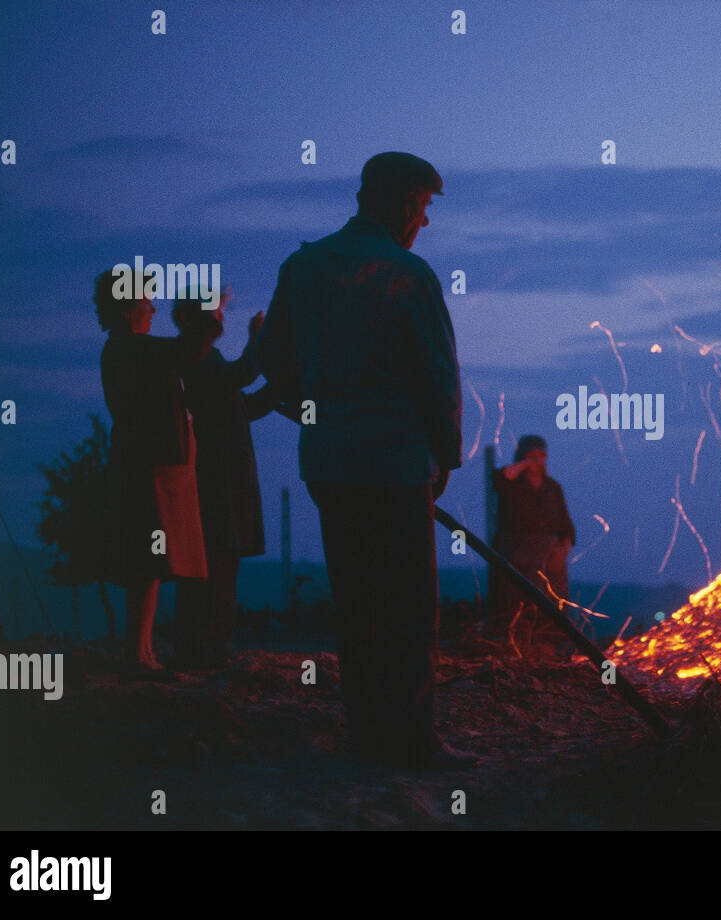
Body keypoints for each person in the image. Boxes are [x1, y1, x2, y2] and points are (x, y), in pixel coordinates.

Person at [255, 151, 476, 770]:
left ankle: (366, 737)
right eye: (425, 207)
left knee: (357, 603)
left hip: (330, 464)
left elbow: (273, 361)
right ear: (406, 202)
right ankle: (413, 742)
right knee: (407, 608)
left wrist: (319, 416)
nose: (425, 222)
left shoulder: (303, 267)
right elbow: (438, 376)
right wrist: (445, 456)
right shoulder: (408, 273)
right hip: (397, 464)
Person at [97, 269, 218, 680]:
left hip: (150, 465)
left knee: (150, 562)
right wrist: (208, 315)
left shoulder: (126, 348)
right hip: (148, 468)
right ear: (131, 307)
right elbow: (189, 349)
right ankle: (136, 653)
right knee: (147, 562)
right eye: (147, 301)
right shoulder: (131, 348)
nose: (153, 308)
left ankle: (142, 650)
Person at [170, 290, 284, 670]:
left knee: (222, 564)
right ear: (191, 318)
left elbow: (240, 404)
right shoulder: (196, 360)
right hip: (216, 481)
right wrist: (258, 337)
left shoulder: (206, 360)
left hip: (227, 479)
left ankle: (210, 646)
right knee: (215, 564)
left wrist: (278, 387)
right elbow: (242, 375)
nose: (221, 320)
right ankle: (201, 650)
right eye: (215, 314)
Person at [488, 435, 576, 652]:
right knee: (518, 597)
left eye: (541, 456)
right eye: (531, 456)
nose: (537, 461)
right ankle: (516, 643)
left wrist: (564, 547)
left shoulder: (552, 487)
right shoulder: (510, 483)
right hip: (517, 551)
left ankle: (549, 642)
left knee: (553, 597)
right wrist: (525, 463)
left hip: (551, 554)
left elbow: (565, 522)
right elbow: (501, 478)